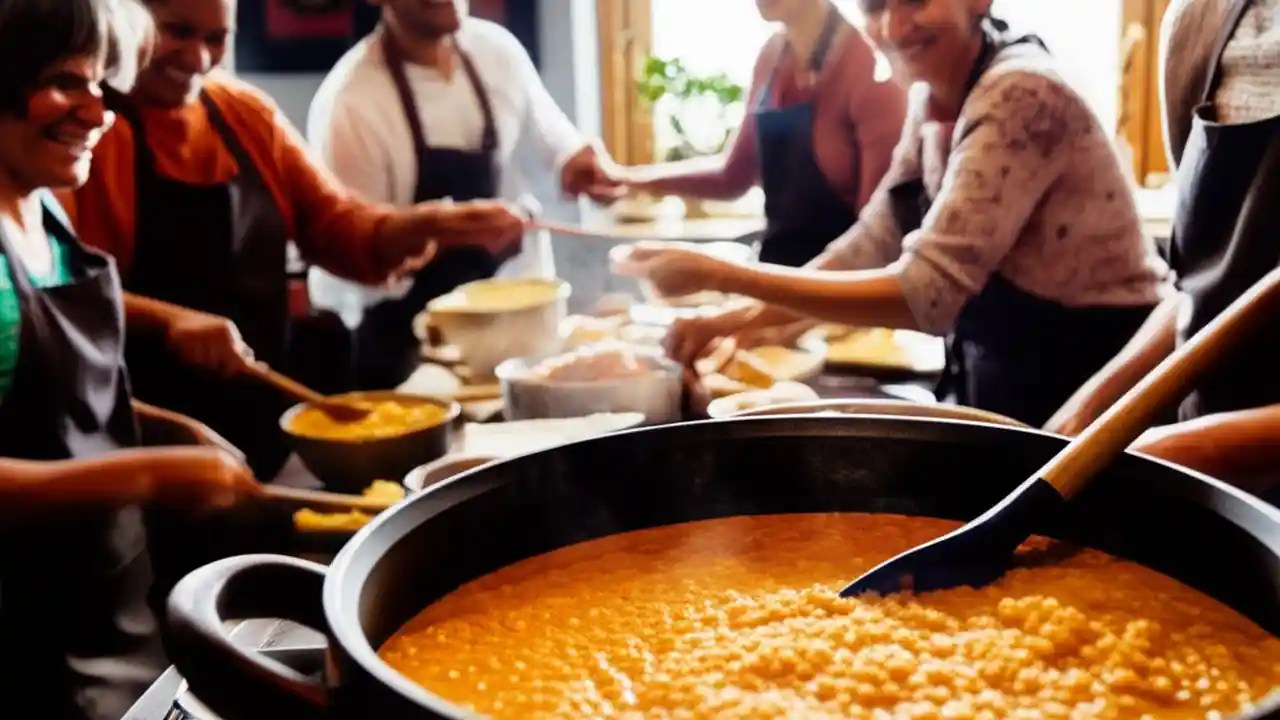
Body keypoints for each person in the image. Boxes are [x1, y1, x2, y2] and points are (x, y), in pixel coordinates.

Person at [614, 0, 1170, 428]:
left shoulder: (1022, 92)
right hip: (1008, 367)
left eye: (915, 0)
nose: (894, 26)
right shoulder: (931, 99)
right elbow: (870, 243)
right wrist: (732, 320)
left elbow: (926, 294)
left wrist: (720, 275)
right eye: (875, 5)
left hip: (1094, 374)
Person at [59, 0, 528, 481]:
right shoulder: (82, 139)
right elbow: (59, 294)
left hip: (262, 422)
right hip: (143, 436)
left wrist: (430, 223)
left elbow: (338, 228)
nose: (198, 58)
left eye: (216, 39)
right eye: (177, 32)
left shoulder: (244, 113)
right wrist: (170, 322)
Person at [0, 1, 260, 716]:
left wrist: (168, 432)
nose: (99, 113)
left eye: (97, 84)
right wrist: (150, 473)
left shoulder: (43, 208)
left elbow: (58, 408)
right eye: (63, 83)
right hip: (26, 643)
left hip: (113, 600)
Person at [306, 0, 623, 389]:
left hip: (521, 334)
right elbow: (353, 265)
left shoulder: (498, 52)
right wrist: (439, 231)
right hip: (414, 357)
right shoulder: (351, 104)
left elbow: (555, 145)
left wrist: (579, 165)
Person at [1046, 0, 1280, 497]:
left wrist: (1181, 451)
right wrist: (1086, 414)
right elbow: (1198, 284)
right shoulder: (1197, 22)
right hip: (1206, 486)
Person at [607, 0, 907, 268]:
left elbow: (875, 242)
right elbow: (733, 176)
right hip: (776, 279)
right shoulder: (772, 57)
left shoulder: (872, 71)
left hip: (842, 292)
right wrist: (625, 178)